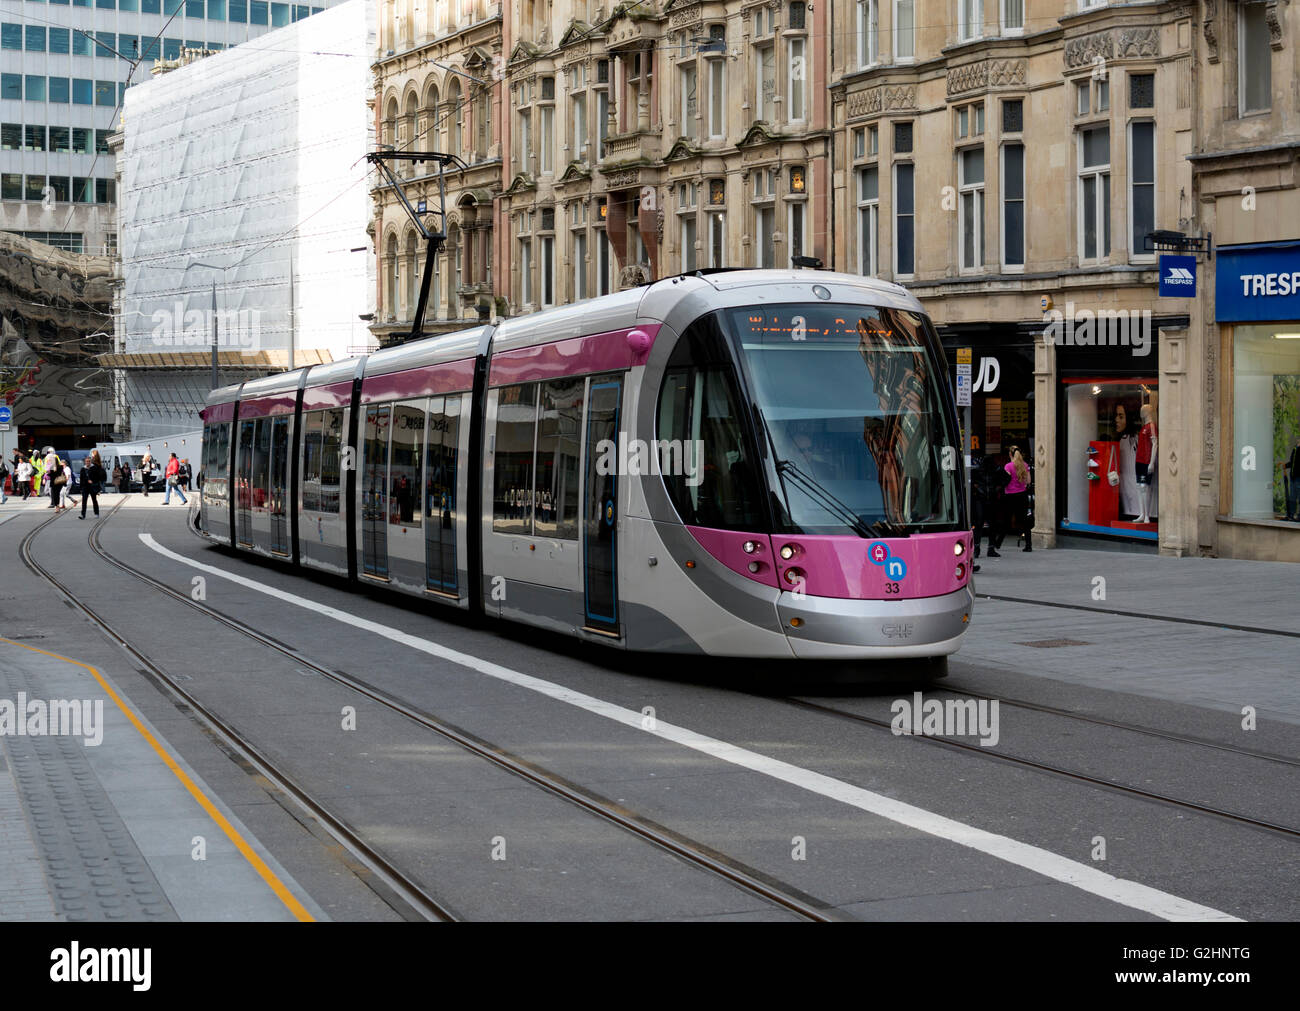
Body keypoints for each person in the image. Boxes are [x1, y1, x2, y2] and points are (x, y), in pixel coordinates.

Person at [1003, 446, 1032, 552]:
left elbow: (1005, 480)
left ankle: (997, 543)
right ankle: (1028, 545)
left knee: (1007, 519)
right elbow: (1028, 481)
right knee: (1024, 521)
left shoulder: (1008, 466)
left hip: (1010, 495)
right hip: (1022, 495)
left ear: (1010, 454)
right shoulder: (1025, 465)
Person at [80, 450, 106, 519]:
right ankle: (83, 515)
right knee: (84, 501)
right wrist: (81, 488)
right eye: (86, 461)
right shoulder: (83, 469)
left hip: (92, 487)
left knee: (94, 500)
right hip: (85, 487)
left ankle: (96, 513)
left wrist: (93, 482)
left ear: (90, 461)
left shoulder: (94, 468)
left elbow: (97, 477)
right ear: (85, 462)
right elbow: (81, 479)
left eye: (89, 461)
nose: (87, 462)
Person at [1283, 436, 1300, 522]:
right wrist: (1285, 466)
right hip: (1293, 477)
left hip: (1298, 477)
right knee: (1292, 498)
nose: (1297, 440)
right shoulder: (1295, 449)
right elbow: (1293, 463)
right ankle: (1291, 515)